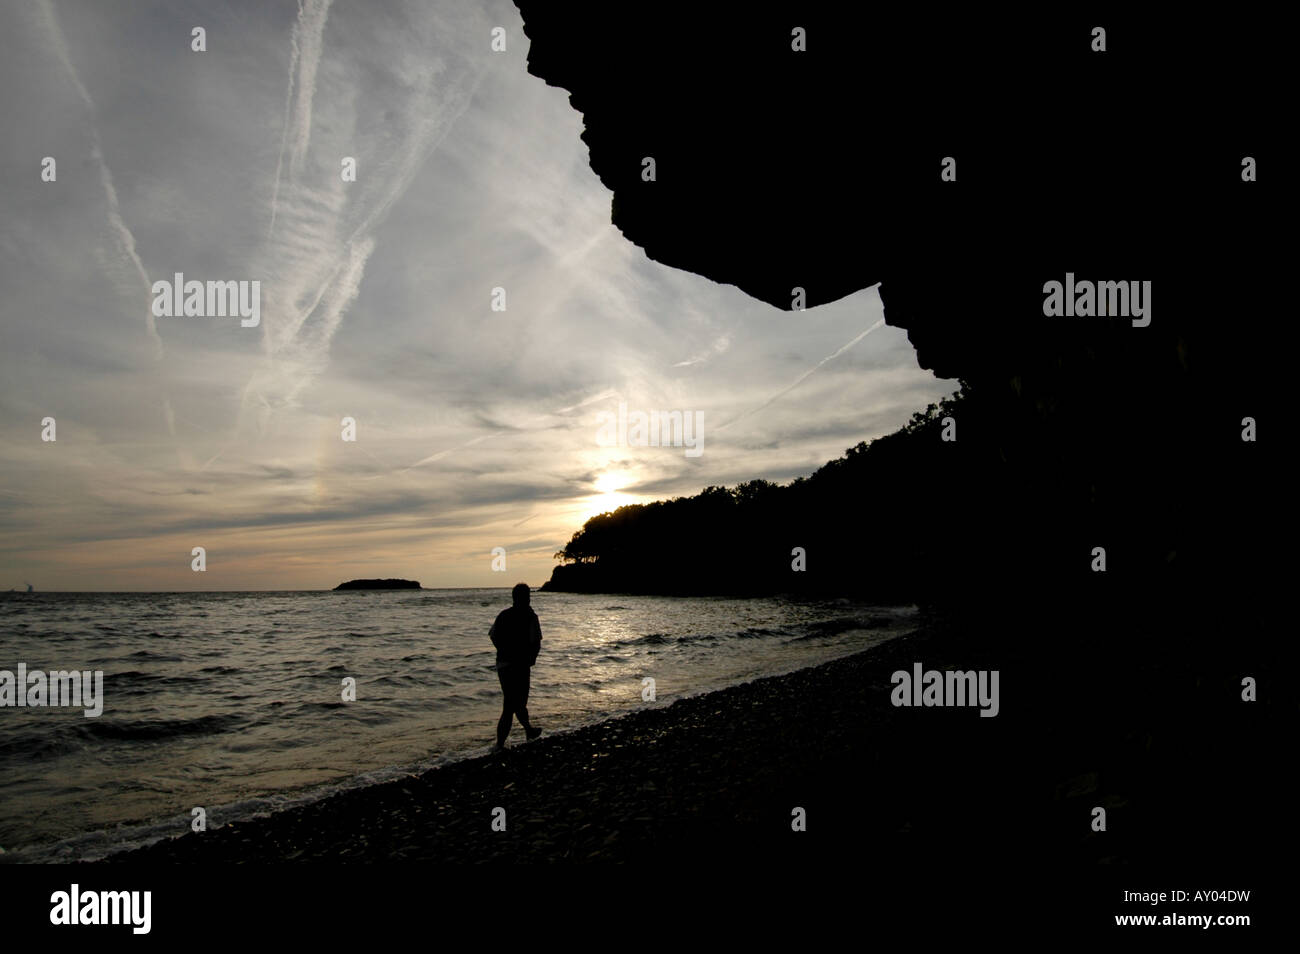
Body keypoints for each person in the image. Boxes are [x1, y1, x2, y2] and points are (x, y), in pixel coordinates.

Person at [490, 582, 543, 750]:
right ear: (525, 597)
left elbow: (493, 636)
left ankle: (529, 730)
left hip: (503, 664)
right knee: (512, 704)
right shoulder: (530, 616)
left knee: (514, 702)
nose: (528, 599)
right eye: (527, 596)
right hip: (519, 664)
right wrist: (531, 658)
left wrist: (504, 649)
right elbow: (536, 641)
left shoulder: (504, 615)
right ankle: (500, 744)